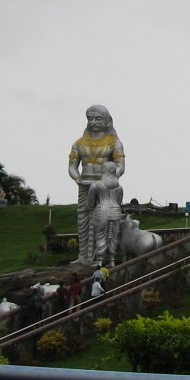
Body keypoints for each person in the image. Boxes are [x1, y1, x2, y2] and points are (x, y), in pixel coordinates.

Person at [67, 105, 125, 262]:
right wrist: (77, 178)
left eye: (98, 119)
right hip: (84, 184)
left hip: (104, 187)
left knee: (102, 220)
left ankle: (101, 256)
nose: (94, 122)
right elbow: (72, 167)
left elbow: (120, 166)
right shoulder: (79, 143)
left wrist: (110, 179)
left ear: (107, 121)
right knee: (83, 219)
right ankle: (83, 256)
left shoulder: (114, 143)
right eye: (90, 119)